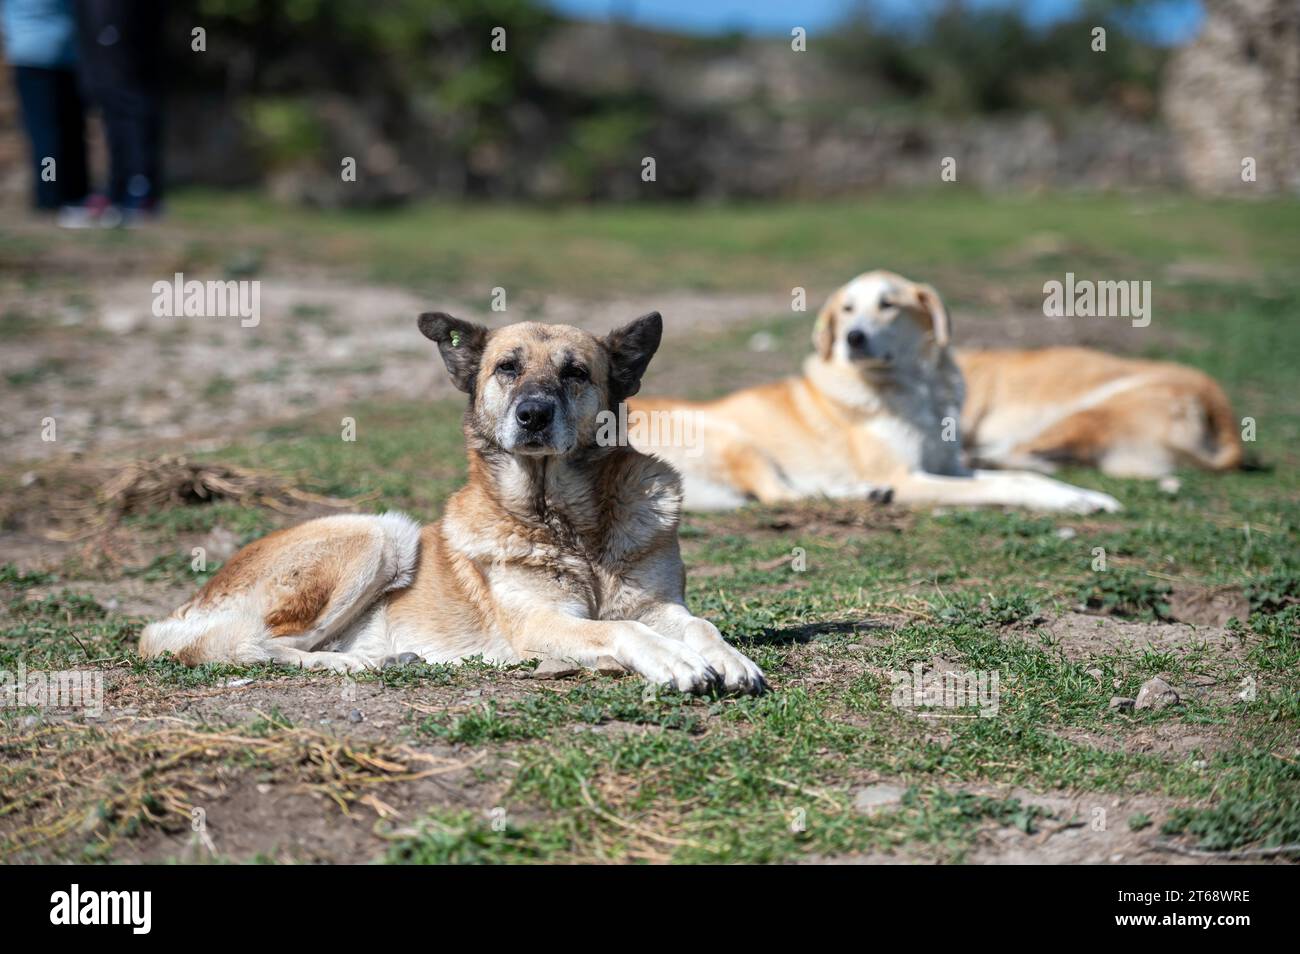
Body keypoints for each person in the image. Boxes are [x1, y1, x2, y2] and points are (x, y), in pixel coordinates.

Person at [73, 0, 164, 225]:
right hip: (103, 25)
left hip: (117, 20)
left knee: (128, 103)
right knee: (112, 103)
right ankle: (118, 190)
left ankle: (138, 191)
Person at [1, 0, 90, 215]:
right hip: (65, 53)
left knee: (44, 133)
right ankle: (66, 193)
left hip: (29, 53)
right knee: (66, 132)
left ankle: (50, 194)